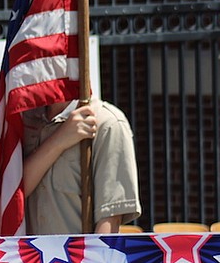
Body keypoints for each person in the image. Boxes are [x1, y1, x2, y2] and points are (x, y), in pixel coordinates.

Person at [21, 98, 141, 234]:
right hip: (25, 253)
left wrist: (94, 255)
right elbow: (13, 192)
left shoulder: (108, 123)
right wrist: (59, 140)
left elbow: (109, 219)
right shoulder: (25, 120)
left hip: (75, 254)